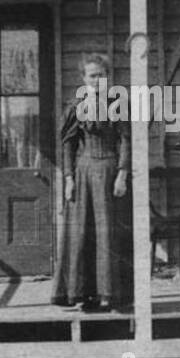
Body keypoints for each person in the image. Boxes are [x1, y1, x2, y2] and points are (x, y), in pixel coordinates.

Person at [50, 53, 132, 311]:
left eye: (102, 75)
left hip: (109, 172)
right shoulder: (75, 106)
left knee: (107, 232)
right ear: (83, 78)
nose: (97, 80)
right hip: (83, 172)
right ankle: (80, 293)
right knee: (81, 232)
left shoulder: (117, 104)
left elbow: (125, 141)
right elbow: (68, 146)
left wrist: (122, 173)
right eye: (92, 75)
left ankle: (109, 293)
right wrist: (68, 178)